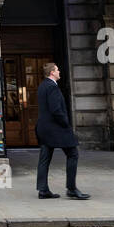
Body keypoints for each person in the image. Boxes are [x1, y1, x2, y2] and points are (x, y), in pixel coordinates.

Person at [36, 62, 89, 199]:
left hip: (44, 128)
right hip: (56, 128)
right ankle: (71, 189)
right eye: (57, 70)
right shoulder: (52, 87)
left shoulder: (42, 86)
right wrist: (65, 123)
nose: (59, 72)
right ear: (52, 72)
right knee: (73, 154)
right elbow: (55, 110)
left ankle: (43, 190)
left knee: (44, 159)